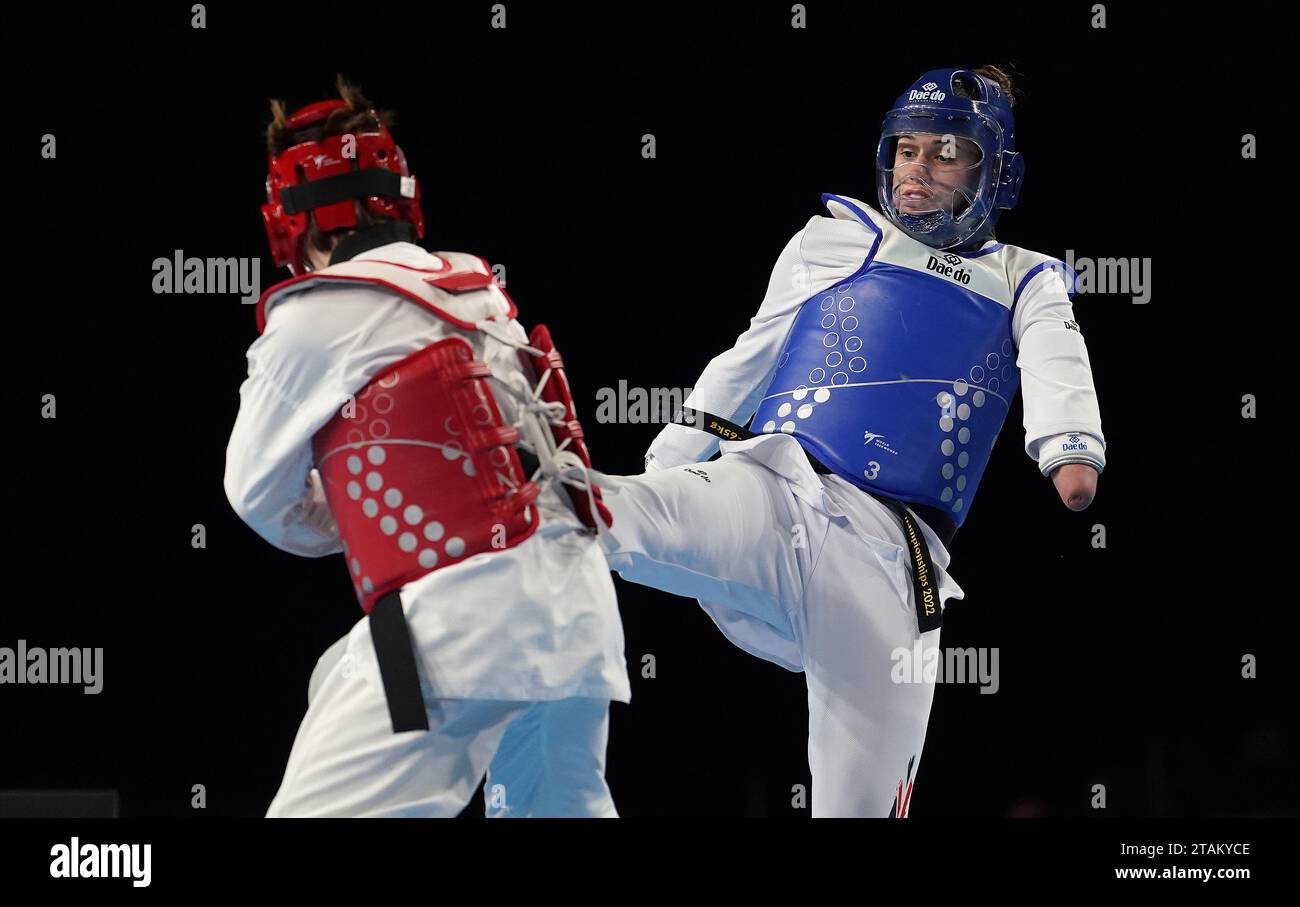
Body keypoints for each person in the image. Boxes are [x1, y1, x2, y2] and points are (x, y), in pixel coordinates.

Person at [594, 66, 1105, 817]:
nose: (917, 169)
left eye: (945, 151)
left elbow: (1058, 358)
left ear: (995, 173)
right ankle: (503, 510)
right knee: (610, 512)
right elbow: (747, 359)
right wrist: (666, 462)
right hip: (773, 490)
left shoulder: (1026, 280)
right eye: (906, 150)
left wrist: (1069, 445)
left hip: (890, 561)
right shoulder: (837, 237)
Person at [224, 76, 629, 817]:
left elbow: (256, 498)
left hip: (456, 633)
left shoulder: (315, 315)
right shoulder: (481, 289)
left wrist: (364, 515)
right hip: (578, 620)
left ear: (286, 218)